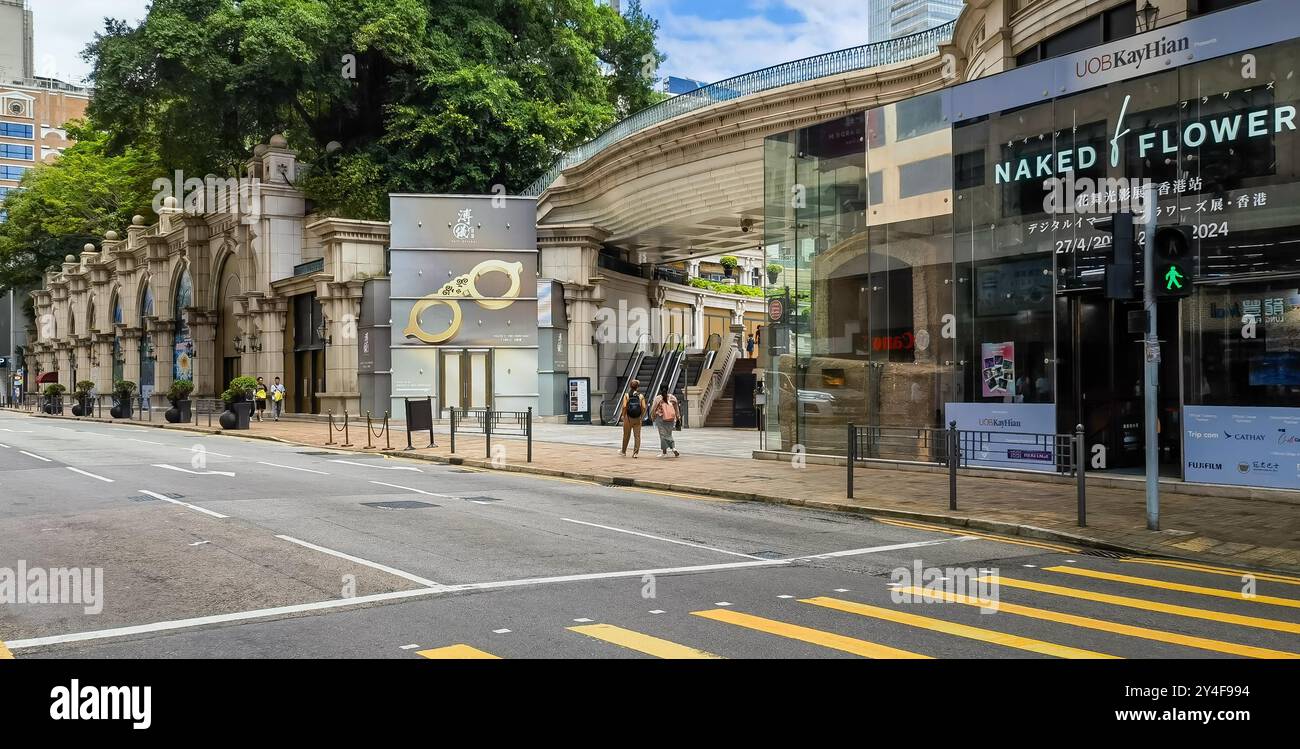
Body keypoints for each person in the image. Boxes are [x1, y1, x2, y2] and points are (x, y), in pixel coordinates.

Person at [651, 383, 680, 458]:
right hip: (671, 418)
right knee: (668, 434)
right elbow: (676, 409)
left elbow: (653, 409)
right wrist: (678, 417)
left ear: (660, 389)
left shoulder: (658, 398)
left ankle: (665, 452)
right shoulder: (672, 398)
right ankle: (673, 448)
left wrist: (653, 417)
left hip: (660, 418)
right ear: (668, 388)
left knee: (663, 435)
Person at [620, 379, 645, 458]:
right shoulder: (640, 396)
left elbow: (624, 406)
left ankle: (623, 451)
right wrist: (641, 415)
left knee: (626, 435)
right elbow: (644, 407)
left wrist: (623, 415)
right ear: (637, 387)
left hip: (628, 418)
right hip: (637, 418)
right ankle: (635, 453)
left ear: (630, 386)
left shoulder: (626, 395)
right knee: (637, 436)